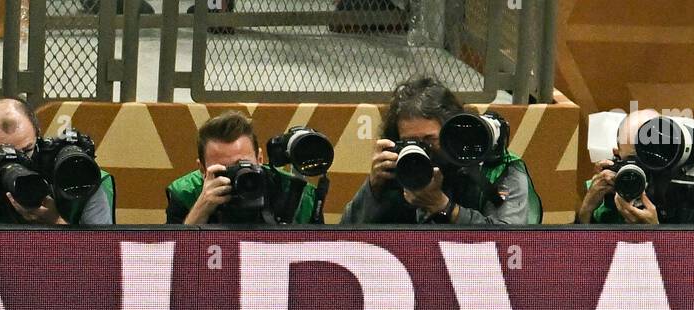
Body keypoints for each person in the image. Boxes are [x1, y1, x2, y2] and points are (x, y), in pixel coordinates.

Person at [339, 76, 541, 227]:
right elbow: (343, 240)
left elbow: (511, 243)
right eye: (410, 142)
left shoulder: (499, 171)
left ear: (451, 134)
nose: (422, 149)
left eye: (430, 139)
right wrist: (373, 188)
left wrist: (445, 207)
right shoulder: (399, 168)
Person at [0, 97, 115, 227]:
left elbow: (102, 263)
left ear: (39, 139)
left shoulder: (78, 178)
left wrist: (56, 222)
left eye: (26, 151)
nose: (18, 163)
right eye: (2, 153)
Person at [576, 107, 694, 226]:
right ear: (616, 154)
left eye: (653, 161)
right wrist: (586, 210)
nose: (645, 169)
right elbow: (578, 264)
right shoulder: (606, 189)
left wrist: (656, 234)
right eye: (634, 159)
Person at [165, 111, 320, 226]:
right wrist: (201, 208)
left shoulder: (296, 193)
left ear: (260, 159)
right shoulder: (186, 193)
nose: (236, 174)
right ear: (202, 169)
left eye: (243, 164)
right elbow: (175, 261)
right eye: (224, 168)